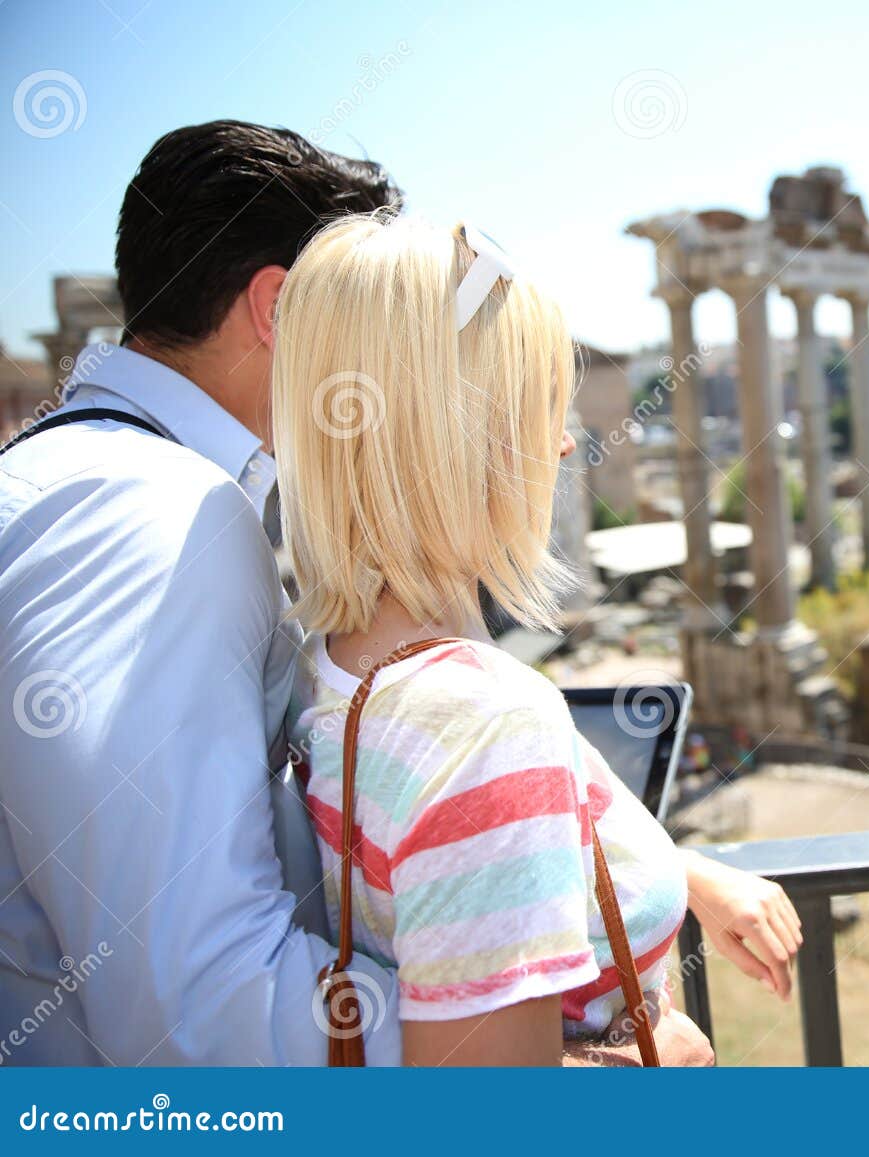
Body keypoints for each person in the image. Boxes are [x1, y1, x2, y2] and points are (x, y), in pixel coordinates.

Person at [0, 121, 795, 1067]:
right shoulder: (152, 514)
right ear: (285, 311)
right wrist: (609, 1058)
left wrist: (621, 867)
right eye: (543, 409)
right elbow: (193, 1002)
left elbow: (394, 832)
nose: (568, 445)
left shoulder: (322, 638)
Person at [275, 213, 711, 1063]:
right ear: (458, 438)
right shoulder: (487, 720)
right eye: (544, 405)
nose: (567, 439)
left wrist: (697, 876)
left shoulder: (317, 666)